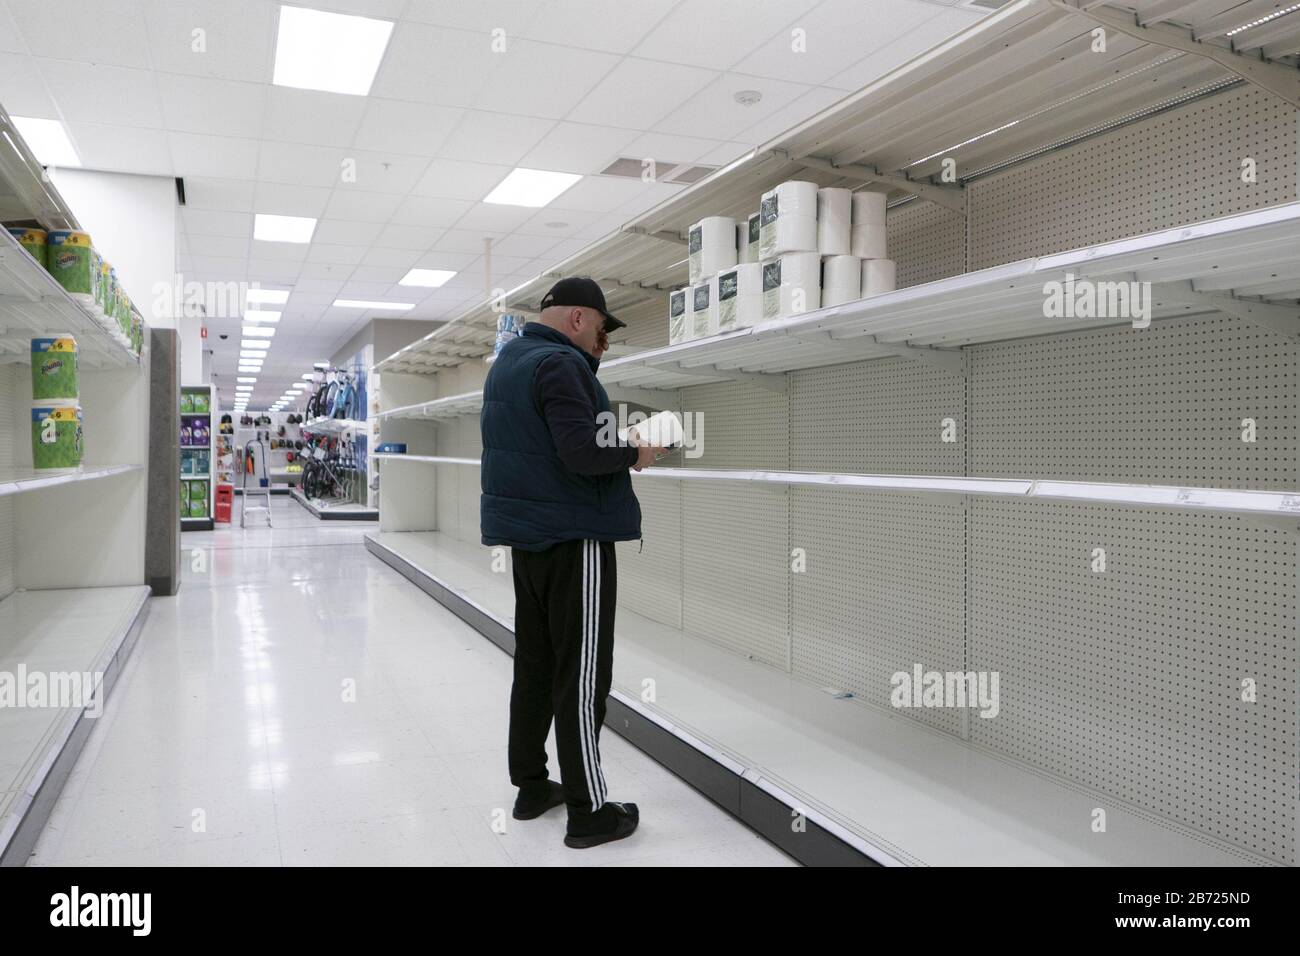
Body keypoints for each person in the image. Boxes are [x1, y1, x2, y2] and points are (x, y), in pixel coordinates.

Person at [480, 276, 667, 849]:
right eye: (603, 331)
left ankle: (533, 786)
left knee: (535, 665)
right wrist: (639, 450)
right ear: (579, 318)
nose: (603, 346)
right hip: (574, 537)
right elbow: (581, 453)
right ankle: (589, 811)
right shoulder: (560, 365)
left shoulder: (508, 362)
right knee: (583, 675)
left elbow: (547, 447)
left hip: (530, 541)